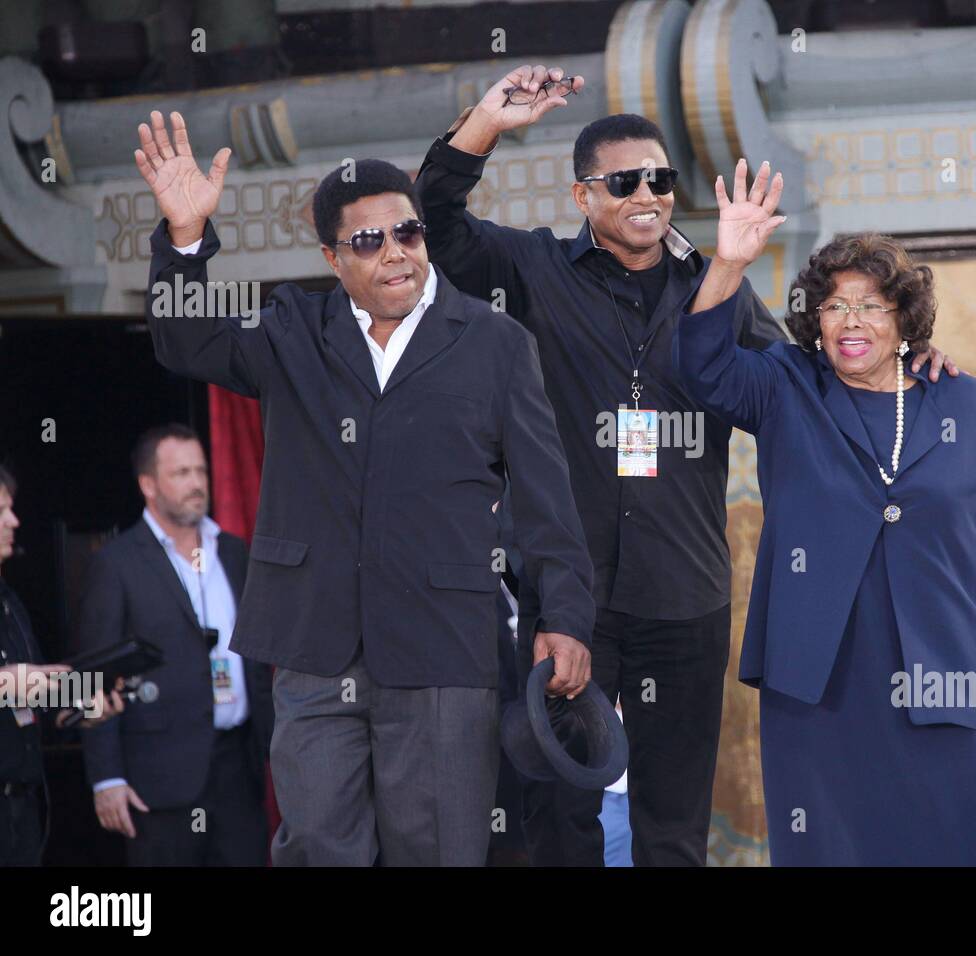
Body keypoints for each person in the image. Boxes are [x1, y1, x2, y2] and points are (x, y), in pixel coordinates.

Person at [416, 63, 958, 866]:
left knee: (673, 826)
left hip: (685, 592)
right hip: (572, 597)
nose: (647, 194)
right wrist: (485, 126)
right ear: (584, 198)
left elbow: (807, 386)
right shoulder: (532, 270)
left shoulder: (721, 290)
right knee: (560, 816)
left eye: (661, 178)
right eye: (624, 180)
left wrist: (897, 360)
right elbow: (436, 219)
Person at [133, 109, 594, 866]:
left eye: (408, 233)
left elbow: (547, 500)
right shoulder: (290, 330)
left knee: (439, 849)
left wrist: (566, 617)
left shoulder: (496, 343)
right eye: (368, 241)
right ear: (331, 256)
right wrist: (185, 237)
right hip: (315, 645)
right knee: (318, 845)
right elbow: (184, 338)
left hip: (444, 647)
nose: (395, 254)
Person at [673, 158, 976, 865]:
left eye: (871, 306)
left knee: (972, 845)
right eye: (834, 306)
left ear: (905, 320)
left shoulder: (973, 406)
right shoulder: (786, 387)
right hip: (820, 685)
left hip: (948, 670)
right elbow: (701, 369)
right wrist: (730, 263)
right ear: (814, 318)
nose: (850, 321)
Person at [78, 425, 274, 866]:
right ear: (148, 484)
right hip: (159, 780)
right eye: (181, 472)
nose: (197, 483)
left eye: (201, 470)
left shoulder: (234, 552)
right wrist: (106, 778)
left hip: (238, 771)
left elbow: (259, 662)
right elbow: (94, 678)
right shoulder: (117, 564)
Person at [0, 465, 123, 867]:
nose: (13, 521)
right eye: (0, 510)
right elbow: (12, 684)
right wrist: (7, 682)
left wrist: (81, 706)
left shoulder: (9, 601)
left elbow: (31, 690)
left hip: (21, 811)